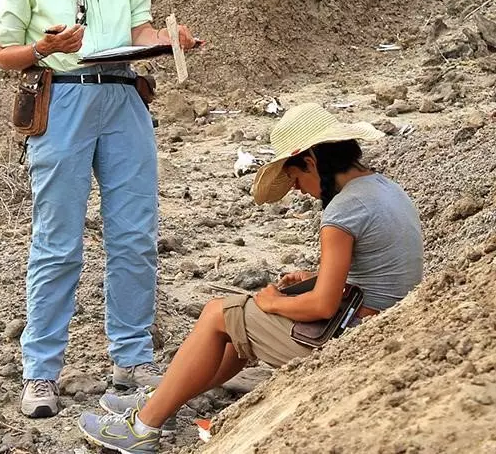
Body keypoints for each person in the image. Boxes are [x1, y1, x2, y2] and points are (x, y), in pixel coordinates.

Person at [78, 102, 424, 453]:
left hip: (354, 338)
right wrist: (313, 278)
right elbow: (379, 269)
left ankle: (140, 429)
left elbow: (323, 305)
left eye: (295, 177)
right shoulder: (383, 187)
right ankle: (160, 400)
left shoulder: (342, 211)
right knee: (236, 327)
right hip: (386, 325)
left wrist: (273, 302)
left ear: (311, 161)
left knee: (218, 312)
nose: (299, 189)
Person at [0, 0, 196, 418]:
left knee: (134, 234)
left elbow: (139, 30)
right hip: (64, 96)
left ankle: (131, 361)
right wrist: (45, 48)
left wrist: (169, 38)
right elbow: (5, 52)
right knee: (57, 240)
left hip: (123, 95)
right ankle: (40, 371)